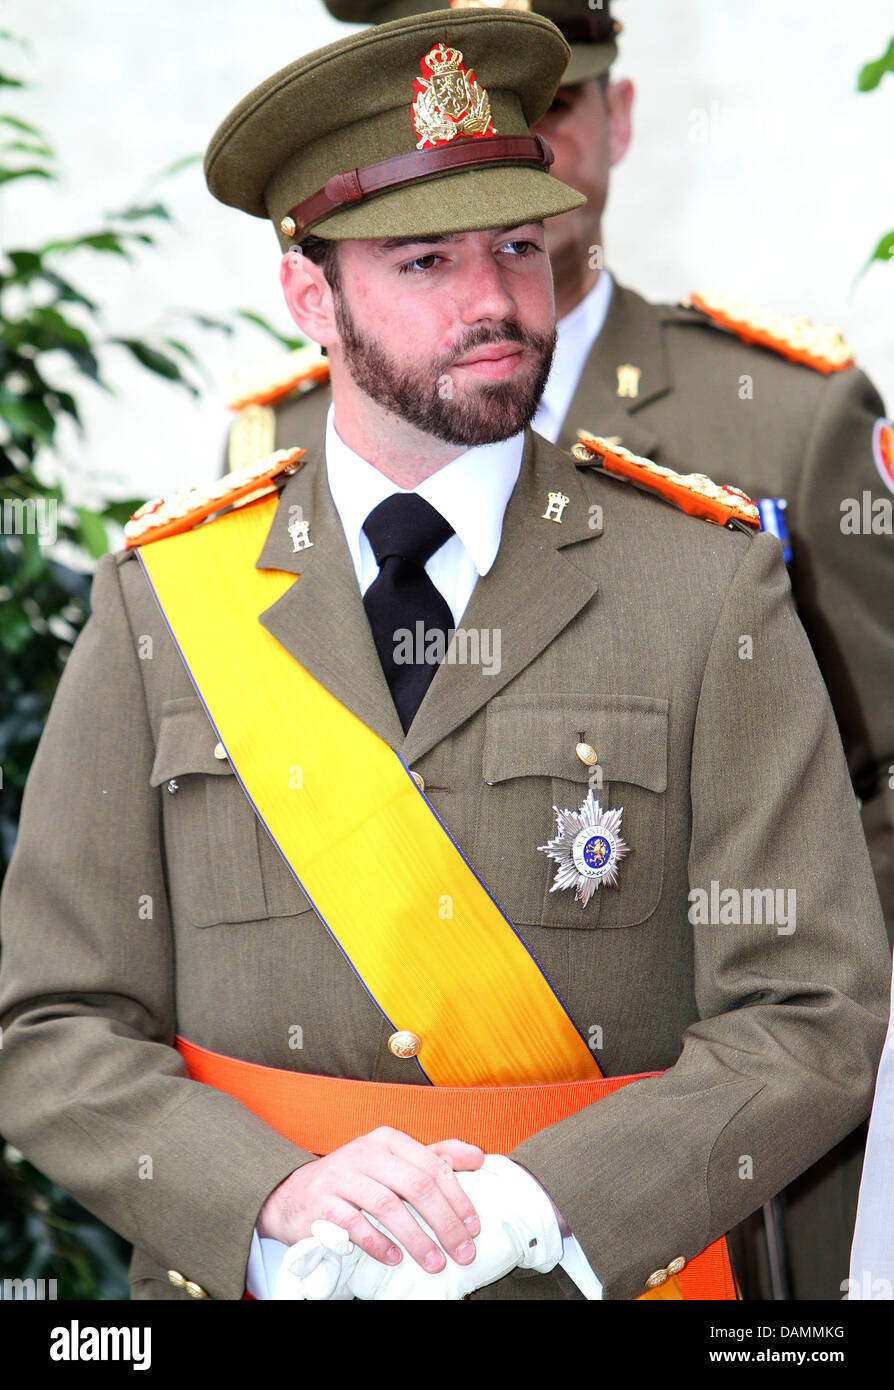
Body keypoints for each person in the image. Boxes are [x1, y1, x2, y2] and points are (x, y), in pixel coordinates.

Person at [0, 5, 889, 1303]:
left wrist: (544, 1201)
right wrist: (261, 1195)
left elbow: (812, 1008)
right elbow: (51, 1024)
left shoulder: (708, 585)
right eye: (423, 261)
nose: (494, 301)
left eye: (517, 246)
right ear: (309, 293)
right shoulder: (161, 602)